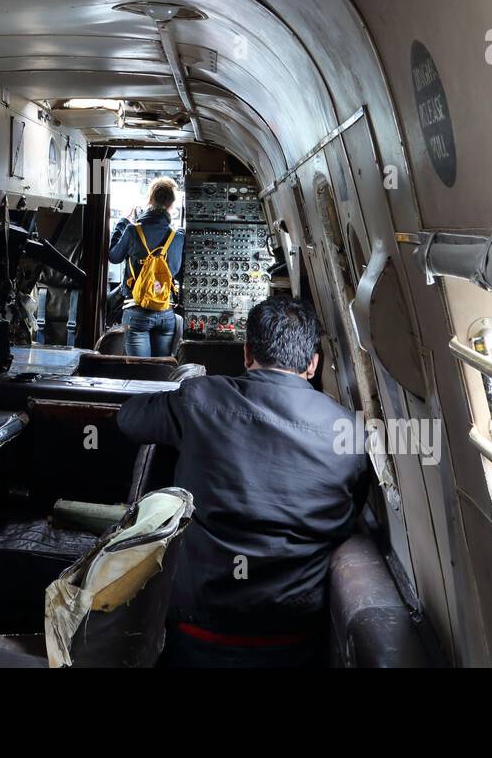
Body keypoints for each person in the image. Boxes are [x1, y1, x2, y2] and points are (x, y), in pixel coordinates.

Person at [116, 296, 370, 667]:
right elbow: (349, 514)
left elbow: (129, 418)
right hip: (294, 638)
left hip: (197, 631)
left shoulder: (201, 398)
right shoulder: (352, 432)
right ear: (313, 363)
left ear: (247, 353)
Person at [108, 178, 185, 356]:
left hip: (136, 311)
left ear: (150, 200)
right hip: (166, 312)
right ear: (172, 205)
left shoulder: (132, 230)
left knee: (139, 371)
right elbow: (179, 273)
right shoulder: (178, 236)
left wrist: (122, 222)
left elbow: (113, 256)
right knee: (161, 370)